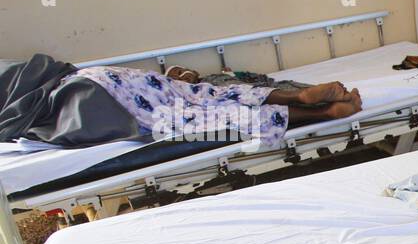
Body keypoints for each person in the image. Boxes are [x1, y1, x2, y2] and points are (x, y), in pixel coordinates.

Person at [73, 64, 362, 149]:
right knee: (215, 100)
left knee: (207, 111)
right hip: (103, 83)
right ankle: (299, 97)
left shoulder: (183, 82)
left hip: (101, 89)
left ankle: (320, 109)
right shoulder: (186, 83)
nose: (183, 74)